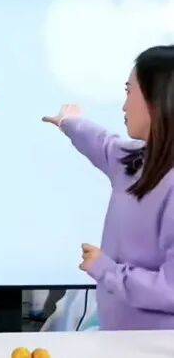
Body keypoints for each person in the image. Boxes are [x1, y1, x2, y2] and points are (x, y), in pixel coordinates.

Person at [43, 45, 174, 330]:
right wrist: (70, 123)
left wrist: (106, 269)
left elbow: (170, 290)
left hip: (156, 345)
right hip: (117, 337)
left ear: (157, 100)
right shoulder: (134, 159)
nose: (124, 106)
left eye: (129, 92)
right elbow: (102, 143)